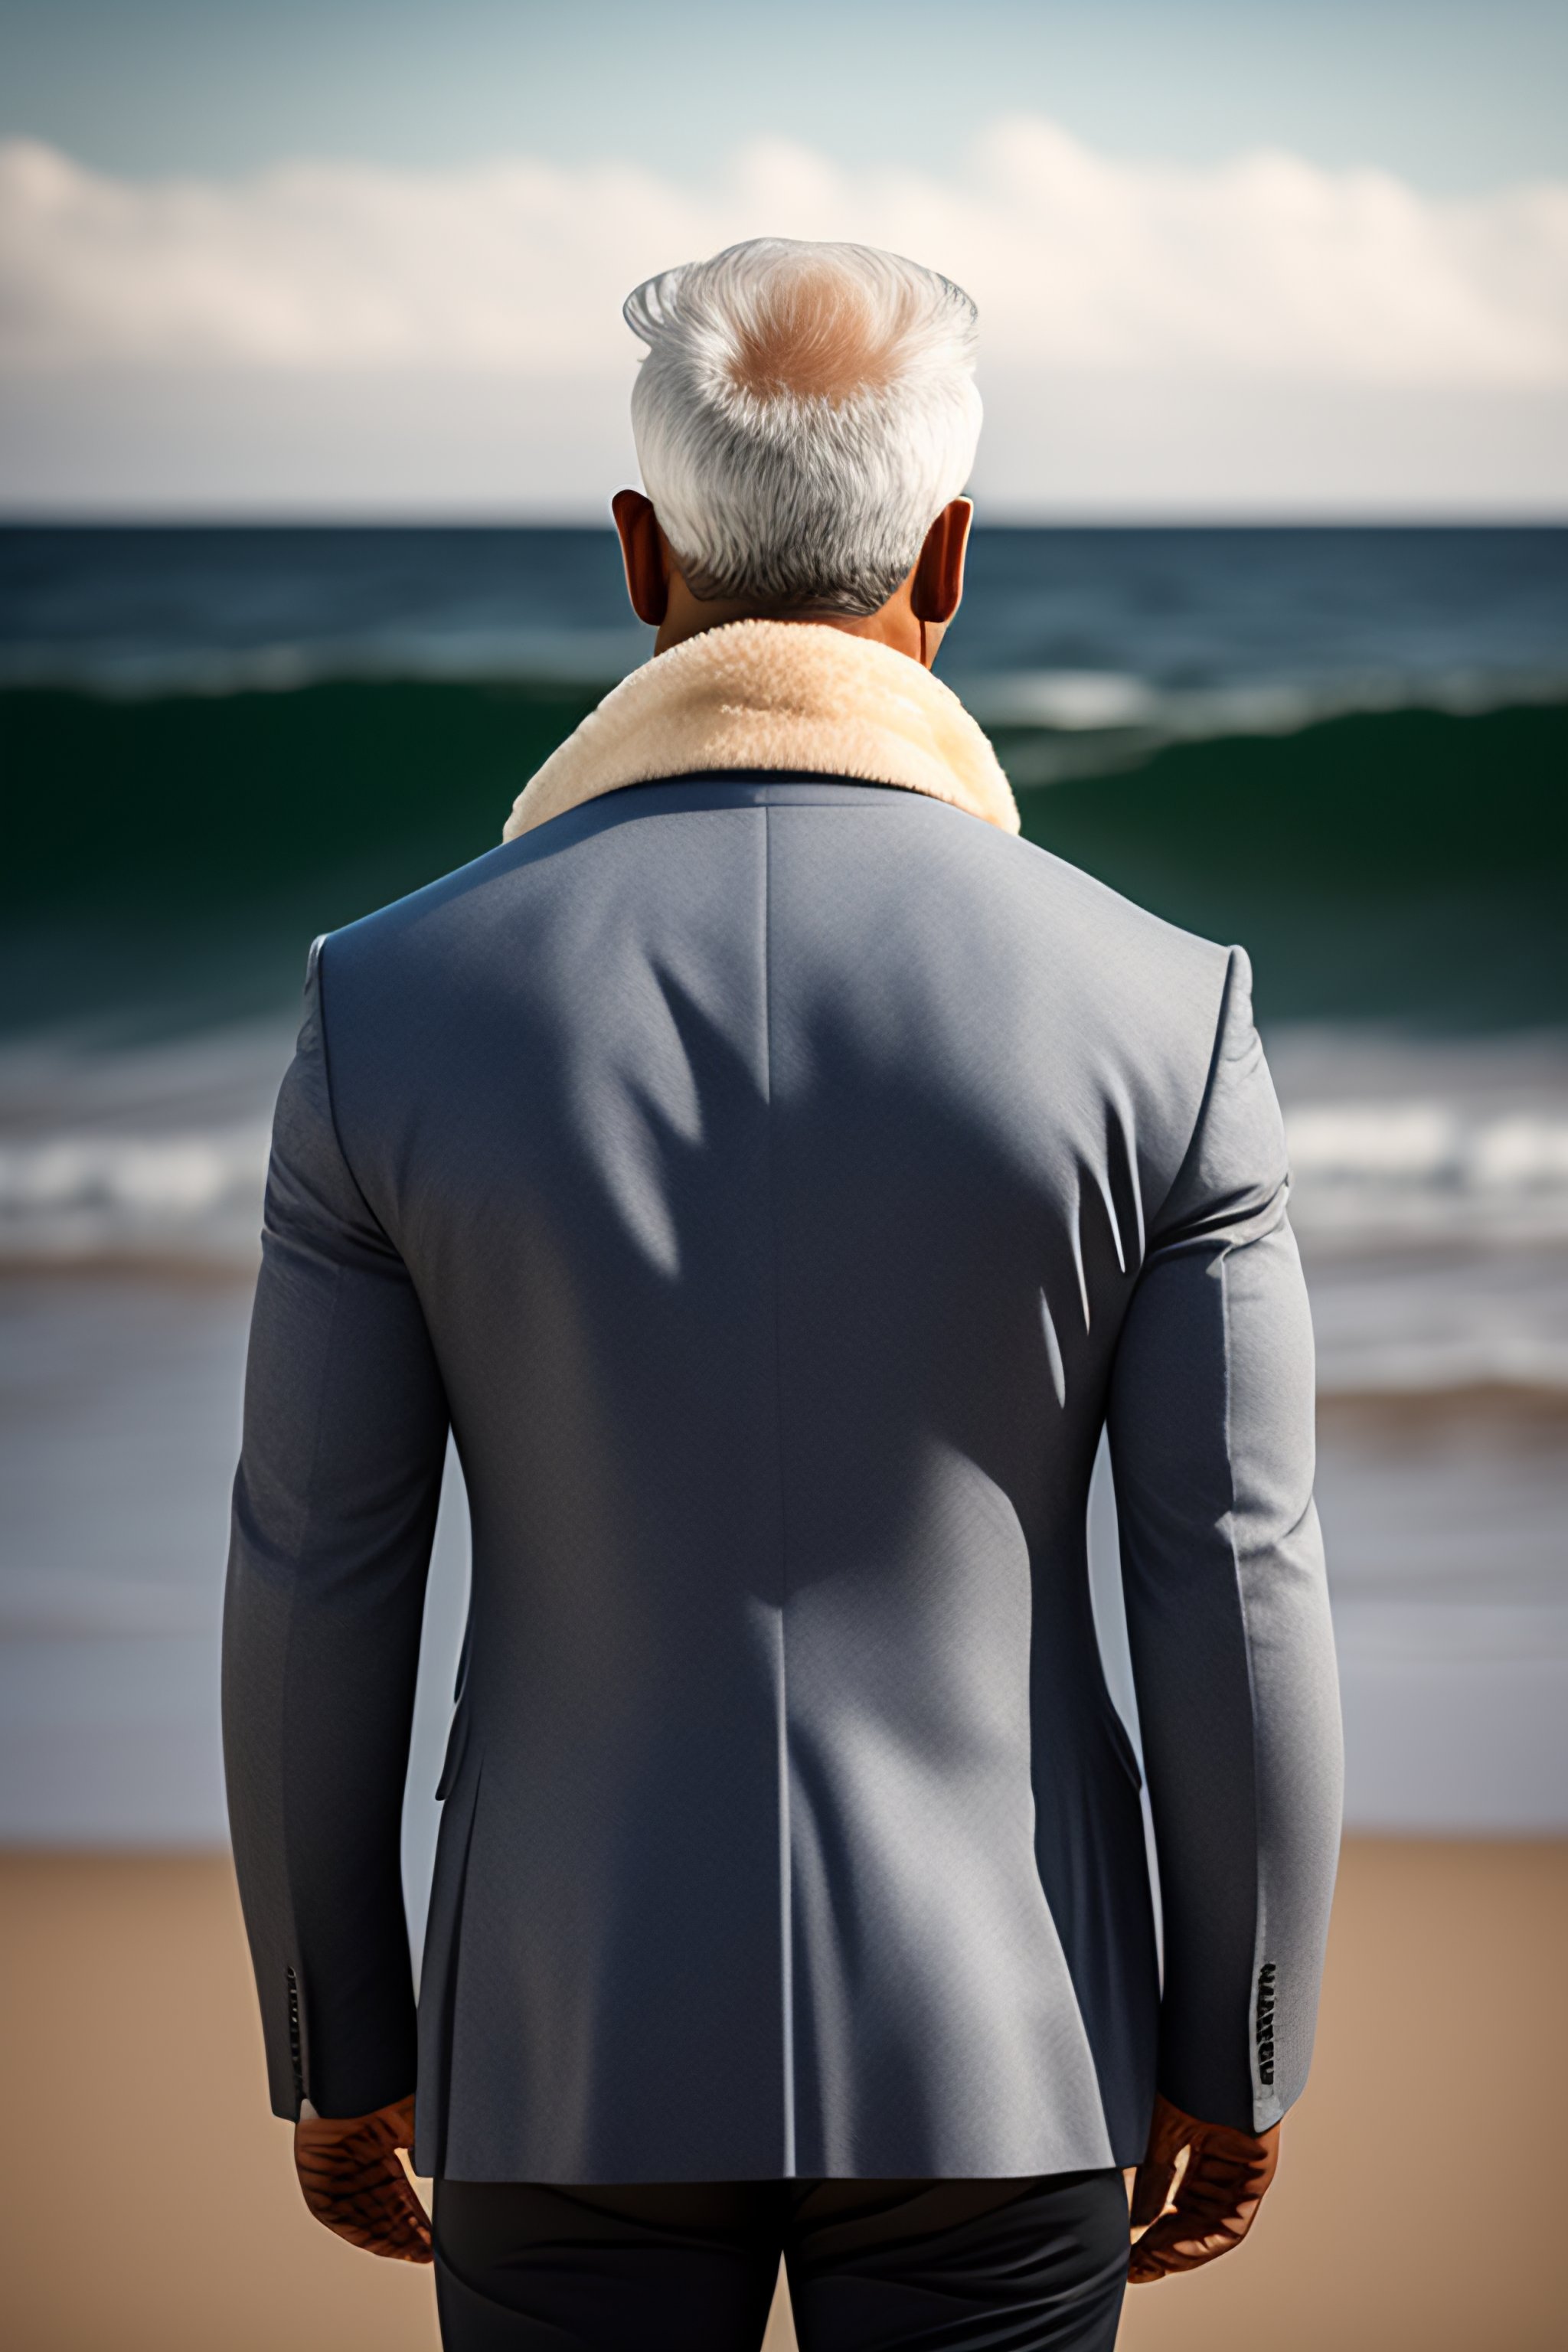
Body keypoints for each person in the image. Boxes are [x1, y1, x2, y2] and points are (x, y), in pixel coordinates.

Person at [224, 237, 1342, 2352]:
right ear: (952, 558)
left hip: (558, 2044)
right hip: (1007, 2037)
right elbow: (1236, 1572)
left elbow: (314, 1567)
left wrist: (335, 2028)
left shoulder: (382, 1006)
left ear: (642, 554)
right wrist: (1240, 2033)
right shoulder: (1164, 1009)